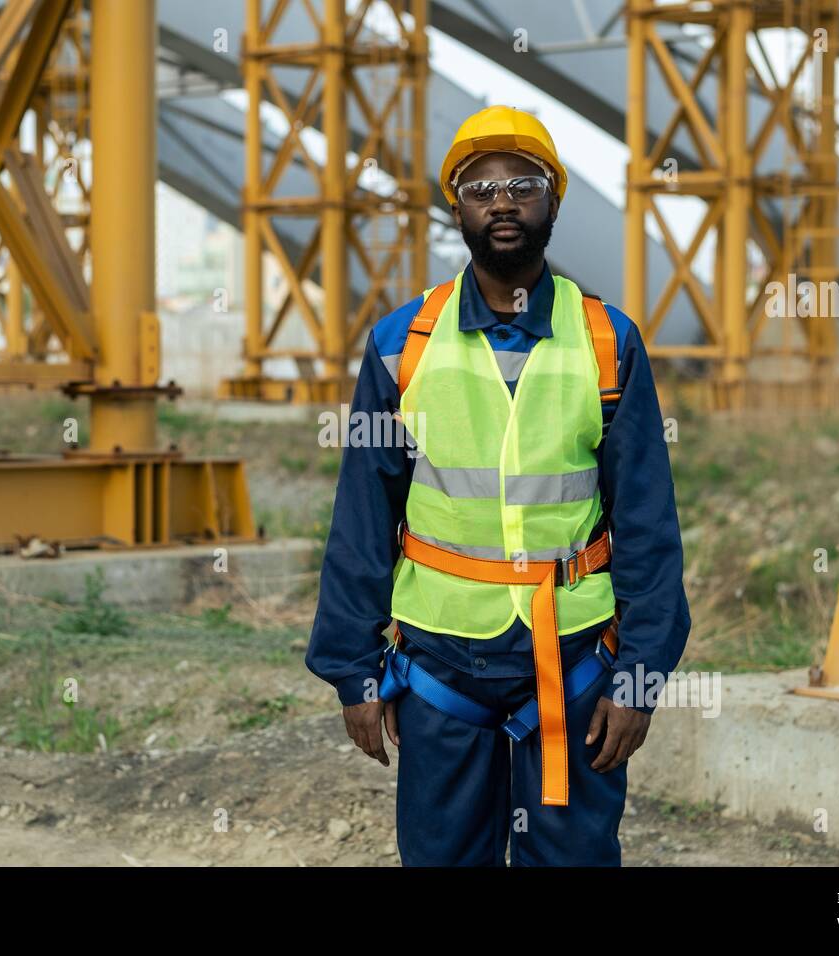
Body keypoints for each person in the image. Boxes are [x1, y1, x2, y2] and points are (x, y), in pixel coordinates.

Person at [306, 105, 690, 866]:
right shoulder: (401, 345)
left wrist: (639, 676)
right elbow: (362, 515)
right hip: (441, 664)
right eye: (482, 189)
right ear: (458, 209)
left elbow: (646, 520)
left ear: (553, 201)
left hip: (575, 663)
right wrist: (352, 668)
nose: (503, 201)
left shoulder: (608, 342)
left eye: (523, 184)